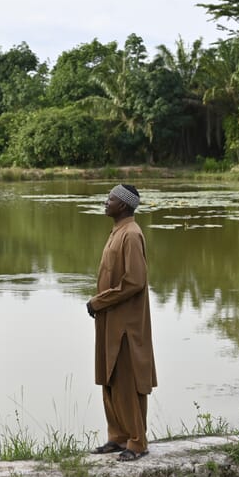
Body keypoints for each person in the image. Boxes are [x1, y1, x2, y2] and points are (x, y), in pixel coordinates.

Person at [86, 184, 157, 462]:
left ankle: (137, 442)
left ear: (124, 206)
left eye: (111, 199)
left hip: (126, 324)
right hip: (109, 321)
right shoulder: (118, 231)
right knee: (110, 377)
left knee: (127, 380)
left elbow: (134, 281)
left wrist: (99, 301)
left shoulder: (132, 234)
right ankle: (117, 437)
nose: (106, 202)